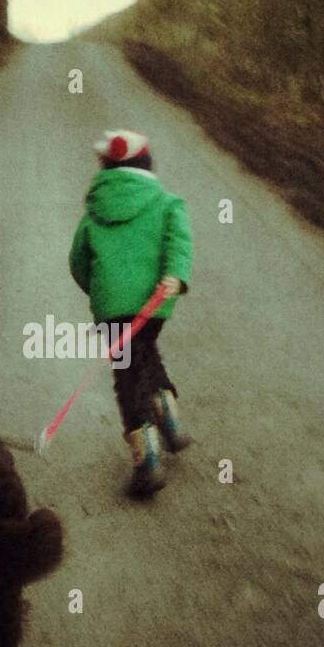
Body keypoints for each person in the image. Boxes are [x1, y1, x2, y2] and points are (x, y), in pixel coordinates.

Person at [68, 129, 194, 497]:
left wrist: (100, 291)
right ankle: (167, 413)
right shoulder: (168, 203)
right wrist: (174, 275)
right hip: (155, 303)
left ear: (106, 169)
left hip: (112, 308)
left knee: (128, 376)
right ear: (147, 165)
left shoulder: (94, 212)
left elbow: (77, 261)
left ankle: (148, 461)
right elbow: (179, 242)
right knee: (145, 352)